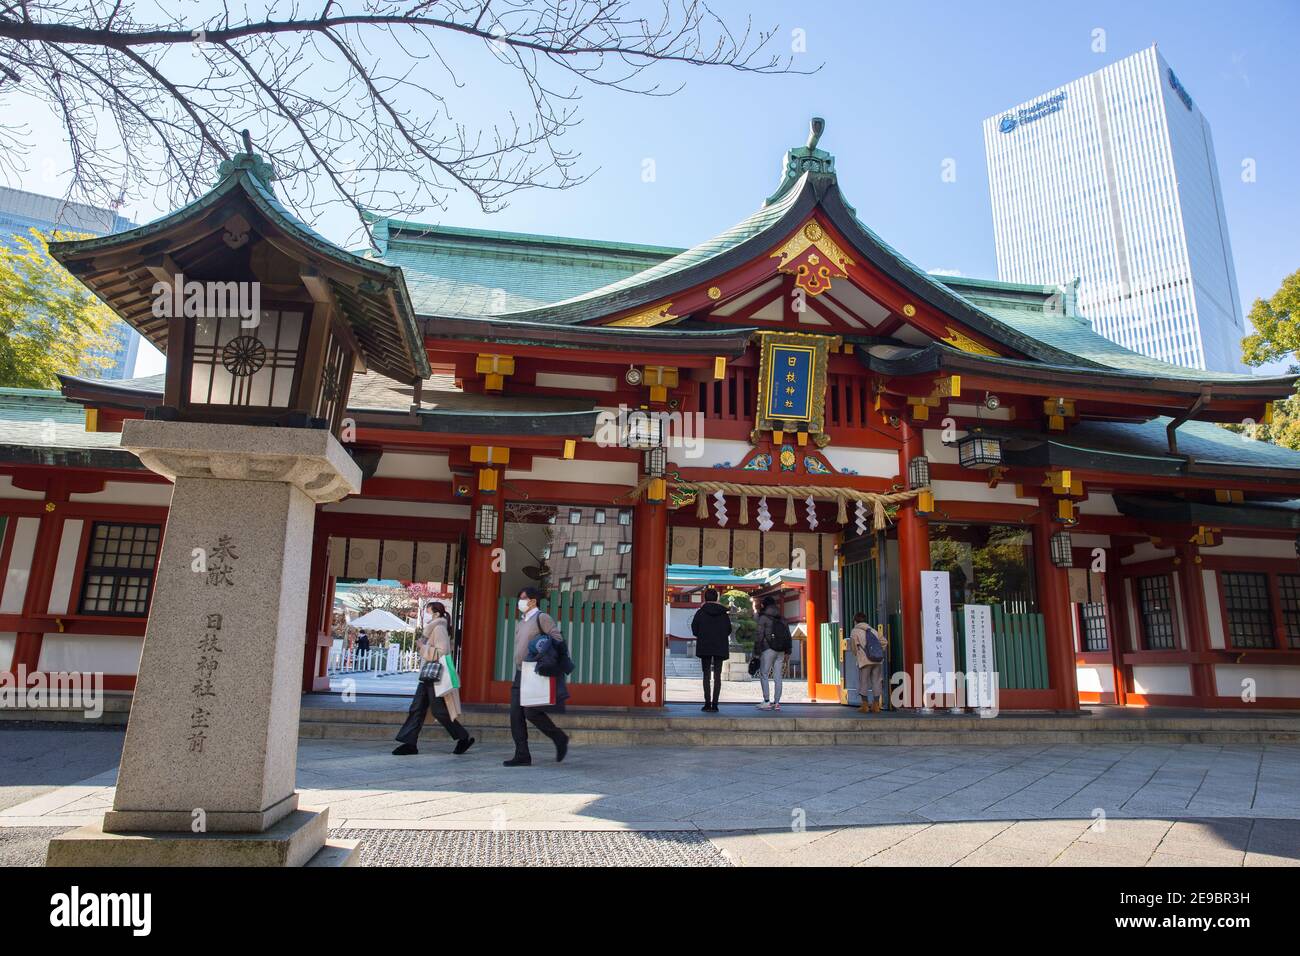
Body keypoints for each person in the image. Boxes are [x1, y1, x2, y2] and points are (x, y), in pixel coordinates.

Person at [392, 602, 474, 755]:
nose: (427, 615)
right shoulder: (432, 629)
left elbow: (443, 651)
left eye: (428, 612)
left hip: (434, 675)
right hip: (428, 675)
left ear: (436, 613)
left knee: (438, 710)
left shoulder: (439, 628)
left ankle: (463, 737)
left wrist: (422, 648)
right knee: (417, 708)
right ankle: (409, 743)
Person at [506, 587, 570, 766]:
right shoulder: (522, 621)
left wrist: (540, 654)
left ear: (533, 601)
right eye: (520, 598)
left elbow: (557, 640)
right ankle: (522, 754)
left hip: (535, 672)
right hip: (521, 672)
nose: (520, 601)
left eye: (523, 598)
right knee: (515, 713)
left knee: (531, 712)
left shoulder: (542, 618)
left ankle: (559, 737)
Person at [691, 587, 732, 712]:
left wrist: (703, 635)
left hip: (705, 646)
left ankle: (707, 703)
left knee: (706, 675)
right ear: (717, 598)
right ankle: (715, 704)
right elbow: (729, 630)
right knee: (718, 676)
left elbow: (694, 629)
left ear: (705, 598)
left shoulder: (700, 612)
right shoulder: (723, 613)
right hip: (720, 646)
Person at [752, 595, 790, 711]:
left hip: (768, 649)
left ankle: (767, 701)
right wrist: (788, 651)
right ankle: (777, 703)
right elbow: (788, 635)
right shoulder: (782, 618)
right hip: (781, 650)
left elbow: (759, 635)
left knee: (764, 674)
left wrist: (757, 651)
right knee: (778, 676)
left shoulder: (763, 618)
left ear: (764, 605)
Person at [850, 612, 888, 713]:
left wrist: (858, 654)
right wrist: (878, 652)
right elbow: (884, 642)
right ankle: (876, 706)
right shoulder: (873, 630)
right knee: (876, 681)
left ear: (855, 621)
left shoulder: (855, 631)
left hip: (864, 660)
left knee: (864, 681)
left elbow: (853, 647)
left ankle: (865, 705)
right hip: (877, 660)